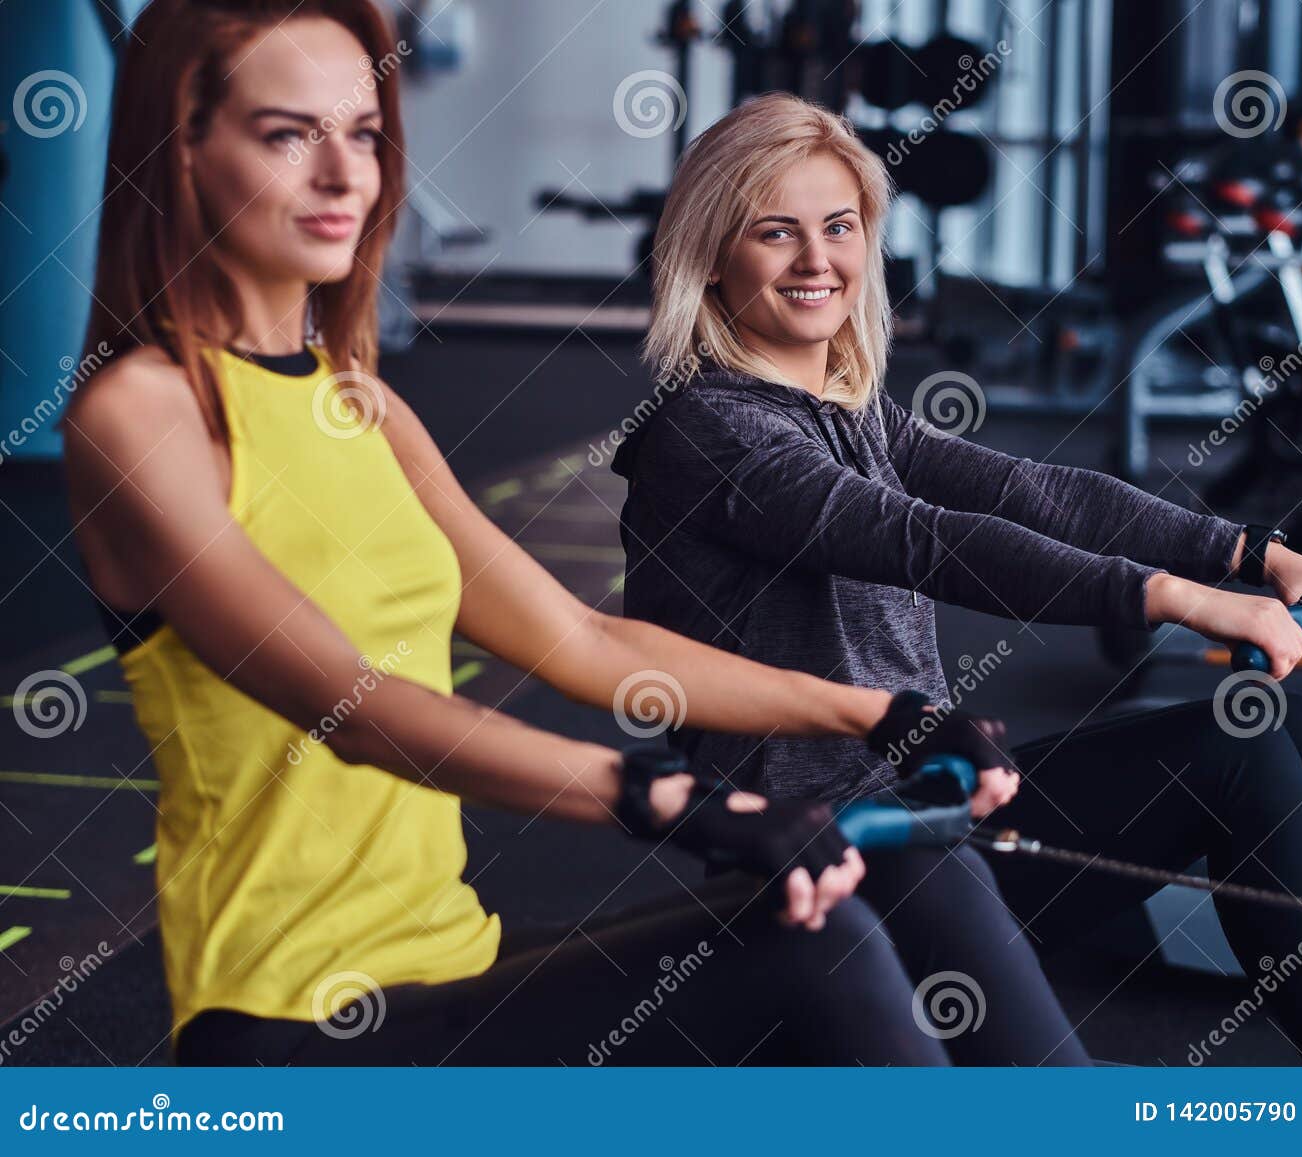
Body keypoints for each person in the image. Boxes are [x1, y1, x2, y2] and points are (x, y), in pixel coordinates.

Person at [61, 0, 1078, 1067]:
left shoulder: (361, 404)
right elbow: (348, 706)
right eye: (286, 134)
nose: (343, 175)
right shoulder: (140, 412)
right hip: (289, 1024)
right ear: (180, 151)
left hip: (460, 962)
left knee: (860, 902)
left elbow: (587, 645)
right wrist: (668, 794)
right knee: (811, 952)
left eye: (361, 134)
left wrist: (888, 713)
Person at [612, 92, 1302, 1068]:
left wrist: (1251, 555)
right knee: (1238, 747)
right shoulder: (707, 430)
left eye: (837, 227)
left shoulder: (849, 405)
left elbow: (1030, 490)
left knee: (1267, 733)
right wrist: (1174, 597)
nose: (817, 260)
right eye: (775, 233)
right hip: (829, 867)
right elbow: (923, 539)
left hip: (935, 802)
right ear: (711, 252)